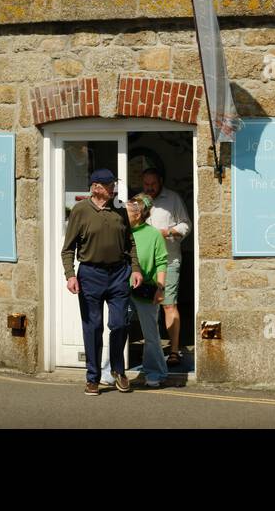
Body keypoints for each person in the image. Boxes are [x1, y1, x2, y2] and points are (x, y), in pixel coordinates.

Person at [62, 168, 142, 396]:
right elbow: (68, 249)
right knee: (93, 328)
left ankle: (118, 370)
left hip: (119, 274)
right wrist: (70, 275)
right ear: (96, 187)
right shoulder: (80, 211)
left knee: (119, 324)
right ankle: (92, 378)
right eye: (109, 185)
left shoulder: (119, 209)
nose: (113, 188)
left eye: (113, 184)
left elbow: (131, 243)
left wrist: (135, 269)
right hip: (90, 275)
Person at [141, 163, 191, 369]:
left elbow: (186, 225)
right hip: (145, 264)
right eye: (146, 184)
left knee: (169, 305)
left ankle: (174, 350)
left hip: (169, 261)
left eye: (153, 184)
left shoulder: (173, 199)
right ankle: (151, 351)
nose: (150, 187)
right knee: (146, 308)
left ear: (160, 182)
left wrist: (167, 232)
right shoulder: (138, 201)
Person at [126, 194, 170, 388]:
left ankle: (155, 372)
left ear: (138, 215)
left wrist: (160, 289)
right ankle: (110, 369)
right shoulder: (121, 231)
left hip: (146, 290)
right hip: (122, 289)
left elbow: (161, 262)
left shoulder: (153, 235)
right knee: (117, 330)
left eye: (127, 210)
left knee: (151, 335)